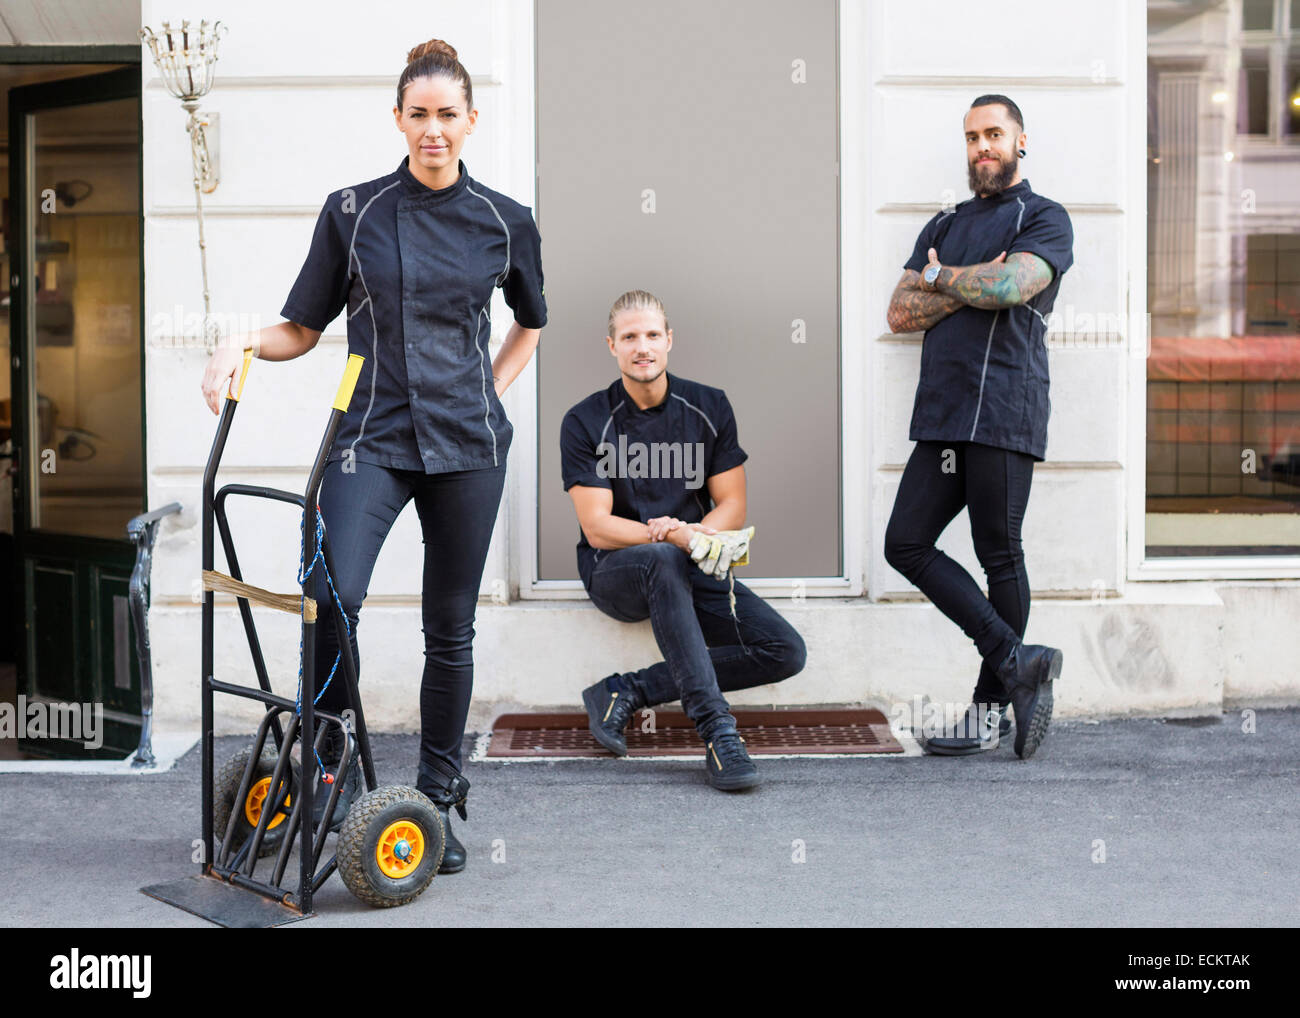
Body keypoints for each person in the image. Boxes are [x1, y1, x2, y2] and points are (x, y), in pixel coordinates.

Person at [200, 39, 546, 873]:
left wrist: (489, 396)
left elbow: (530, 323)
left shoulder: (507, 220)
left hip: (468, 448)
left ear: (471, 122)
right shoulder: (352, 211)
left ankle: (437, 797)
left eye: (447, 116)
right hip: (370, 442)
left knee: (448, 628)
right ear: (398, 119)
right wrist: (239, 340)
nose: (434, 130)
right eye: (418, 115)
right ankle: (323, 768)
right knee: (331, 596)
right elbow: (302, 328)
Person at [883, 94, 1073, 759]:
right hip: (942, 411)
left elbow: (1013, 288)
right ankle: (1019, 662)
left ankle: (989, 710)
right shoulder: (947, 220)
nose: (981, 147)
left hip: (1004, 408)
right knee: (905, 544)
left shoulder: (1044, 217)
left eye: (994, 134)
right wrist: (964, 280)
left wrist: (938, 275)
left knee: (1000, 552)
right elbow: (899, 312)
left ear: (1021, 142)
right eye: (971, 137)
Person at [560, 290, 807, 791]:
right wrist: (670, 538)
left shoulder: (709, 407)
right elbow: (598, 526)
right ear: (612, 346)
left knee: (784, 650)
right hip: (617, 571)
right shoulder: (586, 421)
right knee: (657, 560)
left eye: (652, 335)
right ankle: (718, 732)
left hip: (692, 560)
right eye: (629, 337)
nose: (642, 346)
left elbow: (732, 504)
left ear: (669, 340)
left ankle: (625, 691)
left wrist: (687, 537)